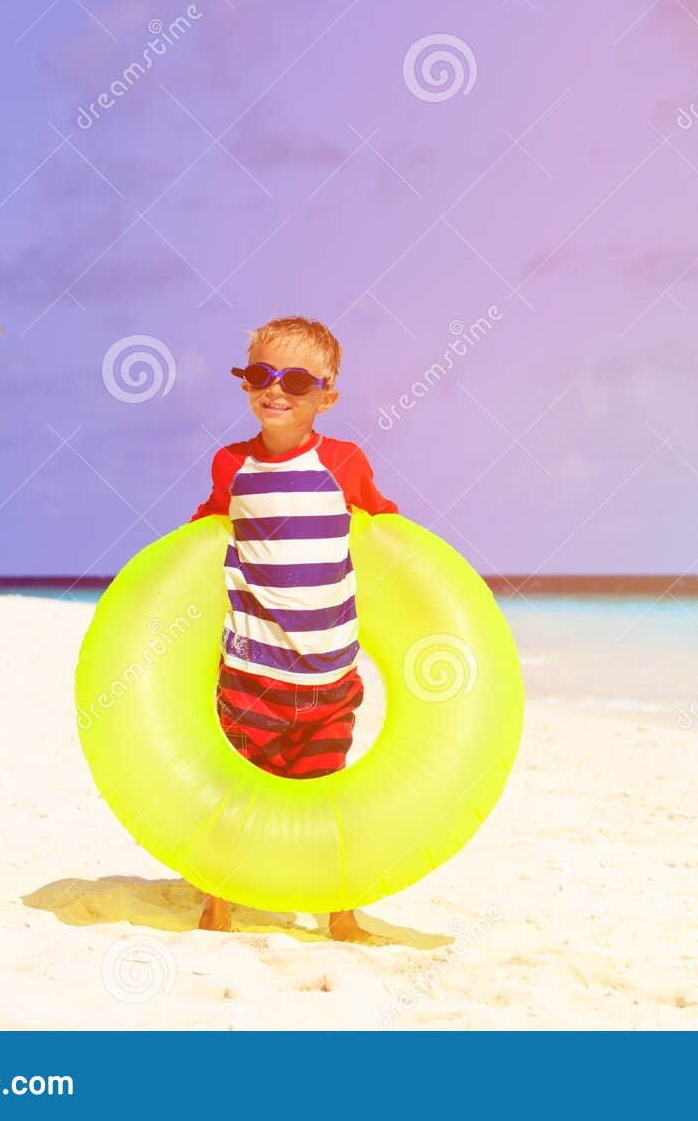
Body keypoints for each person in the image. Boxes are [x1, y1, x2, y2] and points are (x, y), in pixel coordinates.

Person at [189, 316, 398, 940]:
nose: (275, 390)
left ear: (326, 396)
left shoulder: (344, 462)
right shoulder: (231, 464)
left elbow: (384, 527)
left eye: (297, 380)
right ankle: (216, 902)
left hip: (330, 678)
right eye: (260, 374)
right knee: (241, 793)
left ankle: (341, 914)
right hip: (252, 674)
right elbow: (205, 533)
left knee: (325, 799)